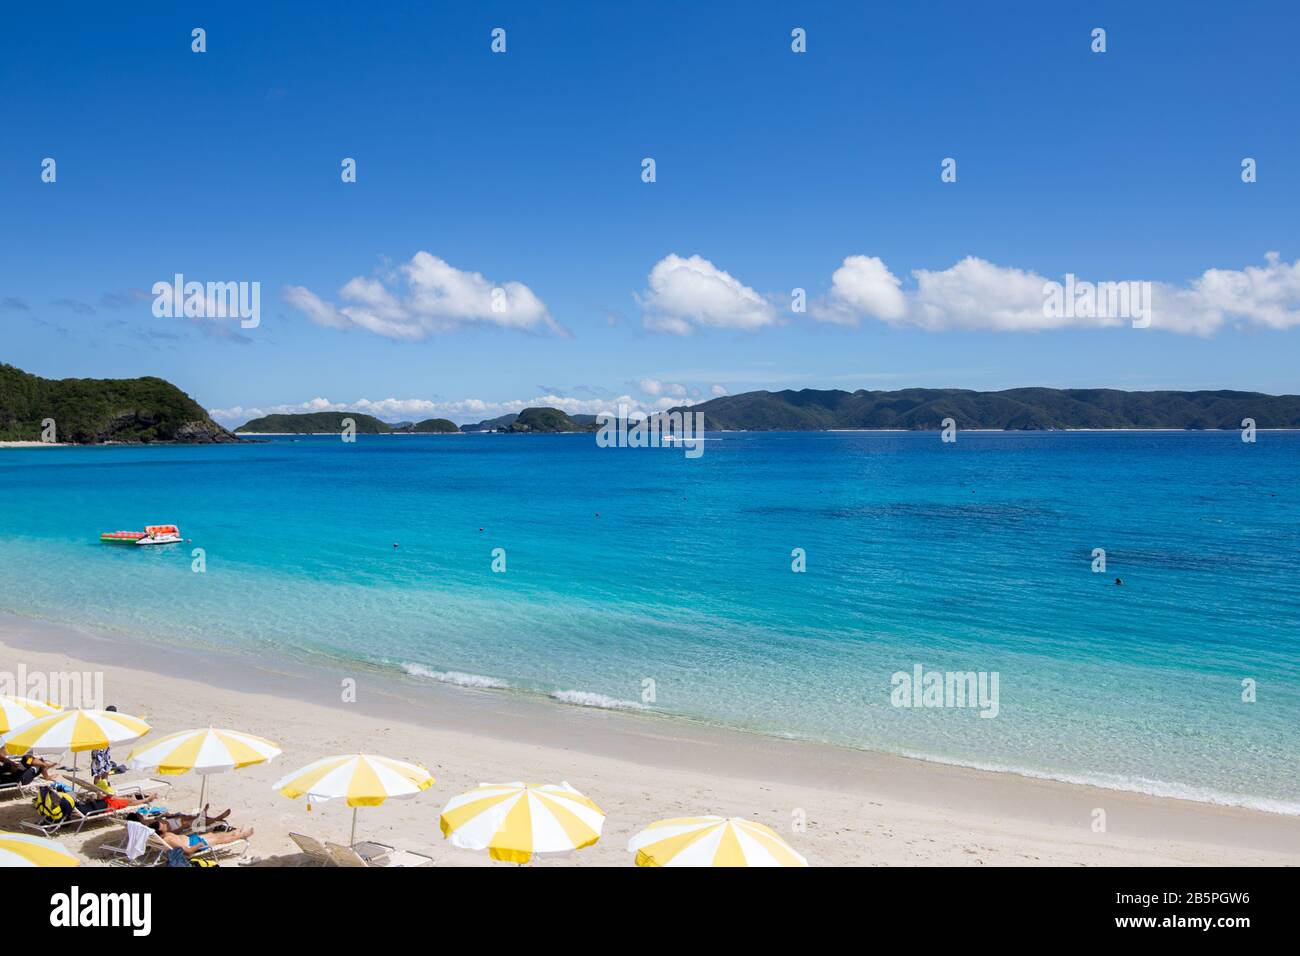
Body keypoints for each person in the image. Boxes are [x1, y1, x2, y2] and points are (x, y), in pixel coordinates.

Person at [157, 817, 252, 855]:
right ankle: (241, 835)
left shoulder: (165, 834)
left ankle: (234, 832)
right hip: (194, 844)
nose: (165, 824)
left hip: (192, 839)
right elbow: (188, 851)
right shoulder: (168, 839)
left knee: (213, 834)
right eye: (163, 825)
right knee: (219, 839)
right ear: (160, 830)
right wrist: (199, 845)